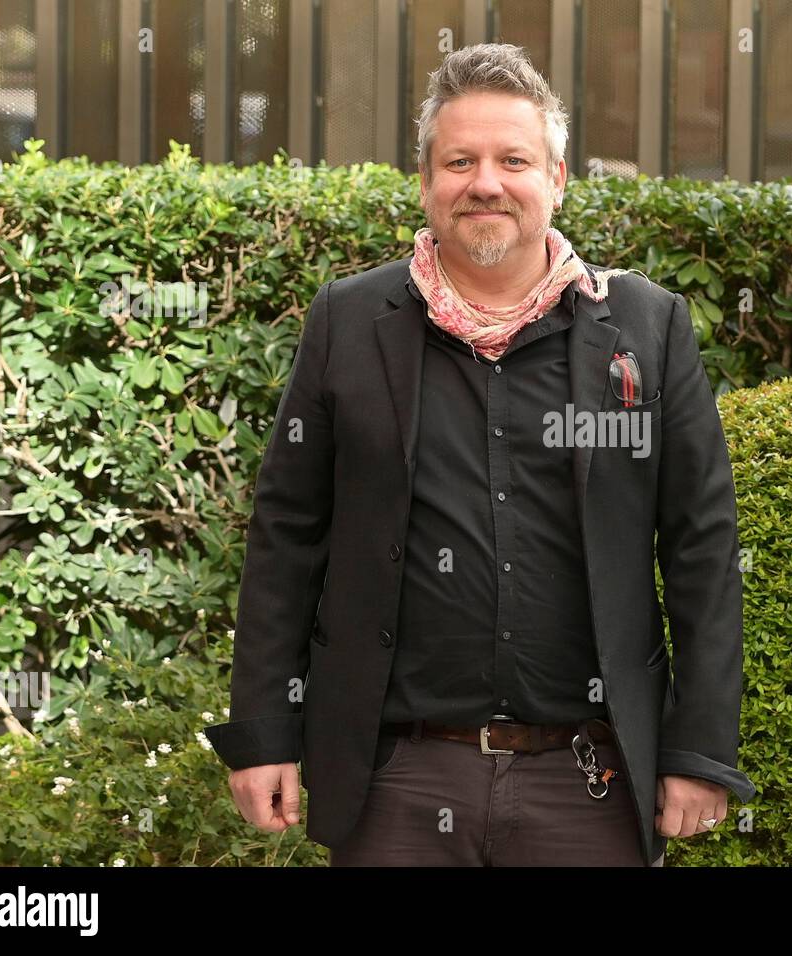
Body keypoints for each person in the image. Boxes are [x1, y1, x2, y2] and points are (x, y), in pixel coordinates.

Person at [204, 42, 755, 866]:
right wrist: (263, 733)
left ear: (557, 179)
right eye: (459, 161)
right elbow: (287, 535)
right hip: (398, 779)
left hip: (589, 780)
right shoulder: (349, 322)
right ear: (426, 182)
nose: (486, 183)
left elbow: (702, 549)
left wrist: (699, 751)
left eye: (513, 159)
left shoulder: (645, 327)